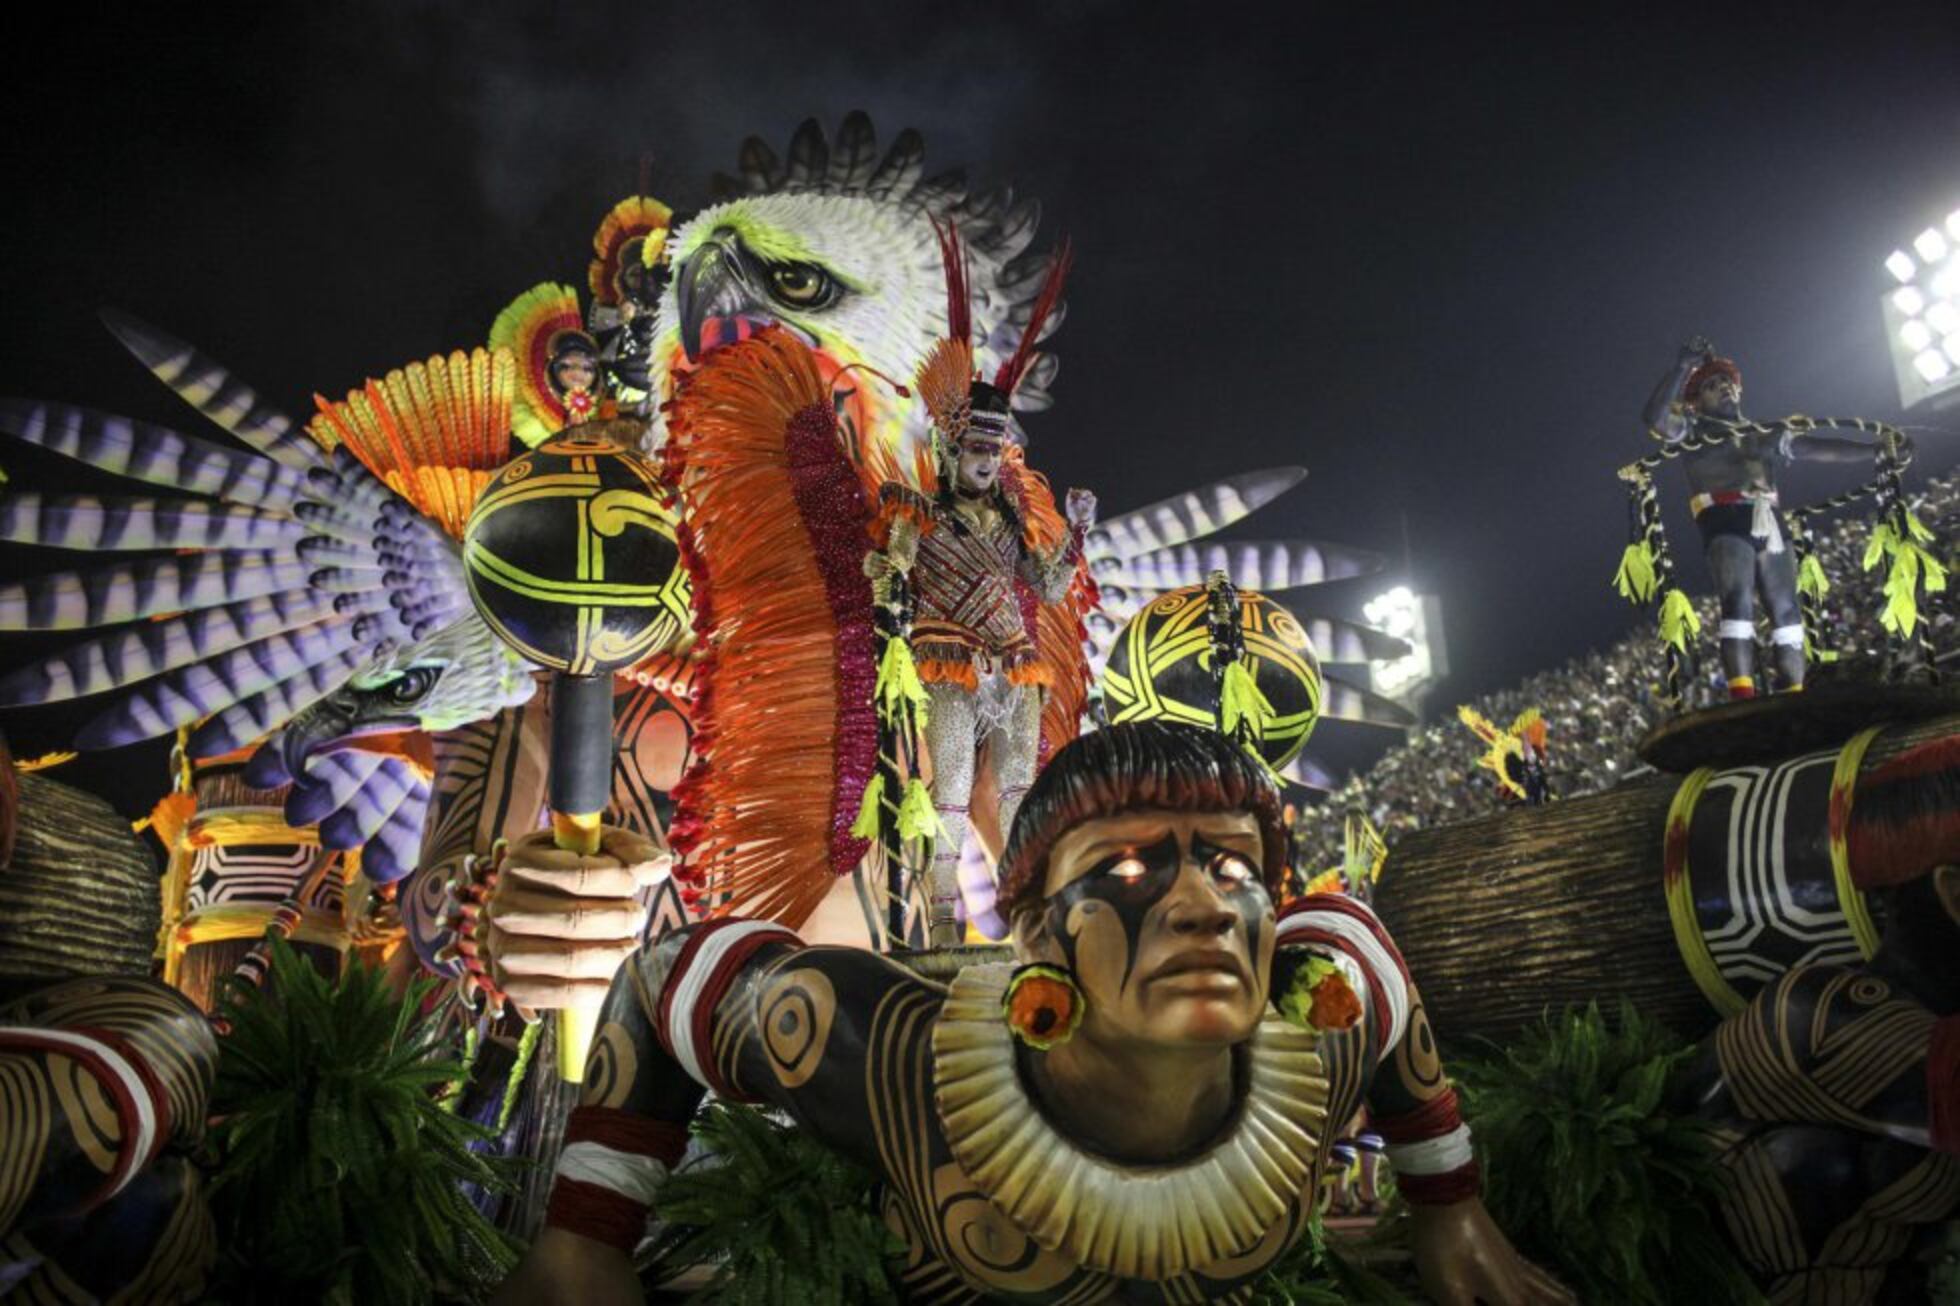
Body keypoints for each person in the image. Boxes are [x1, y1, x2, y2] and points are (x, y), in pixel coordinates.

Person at [492, 721, 1574, 1304]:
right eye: (1130, 866)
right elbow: (664, 971)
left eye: (1234, 866)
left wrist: (1452, 1208)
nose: (1201, 903)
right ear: (1037, 934)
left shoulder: (1323, 1027)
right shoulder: (883, 1054)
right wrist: (585, 1239)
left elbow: (1356, 939)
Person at [1642, 338, 1872, 698]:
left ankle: (1794, 692)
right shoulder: (1692, 431)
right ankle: (1743, 696)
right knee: (1737, 601)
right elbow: (1655, 419)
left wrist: (1874, 452)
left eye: (1728, 383)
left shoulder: (1764, 433)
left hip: (1768, 516)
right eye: (1713, 386)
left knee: (1787, 610)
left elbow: (1817, 448)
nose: (1725, 389)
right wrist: (1682, 367)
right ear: (1696, 401)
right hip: (1723, 517)